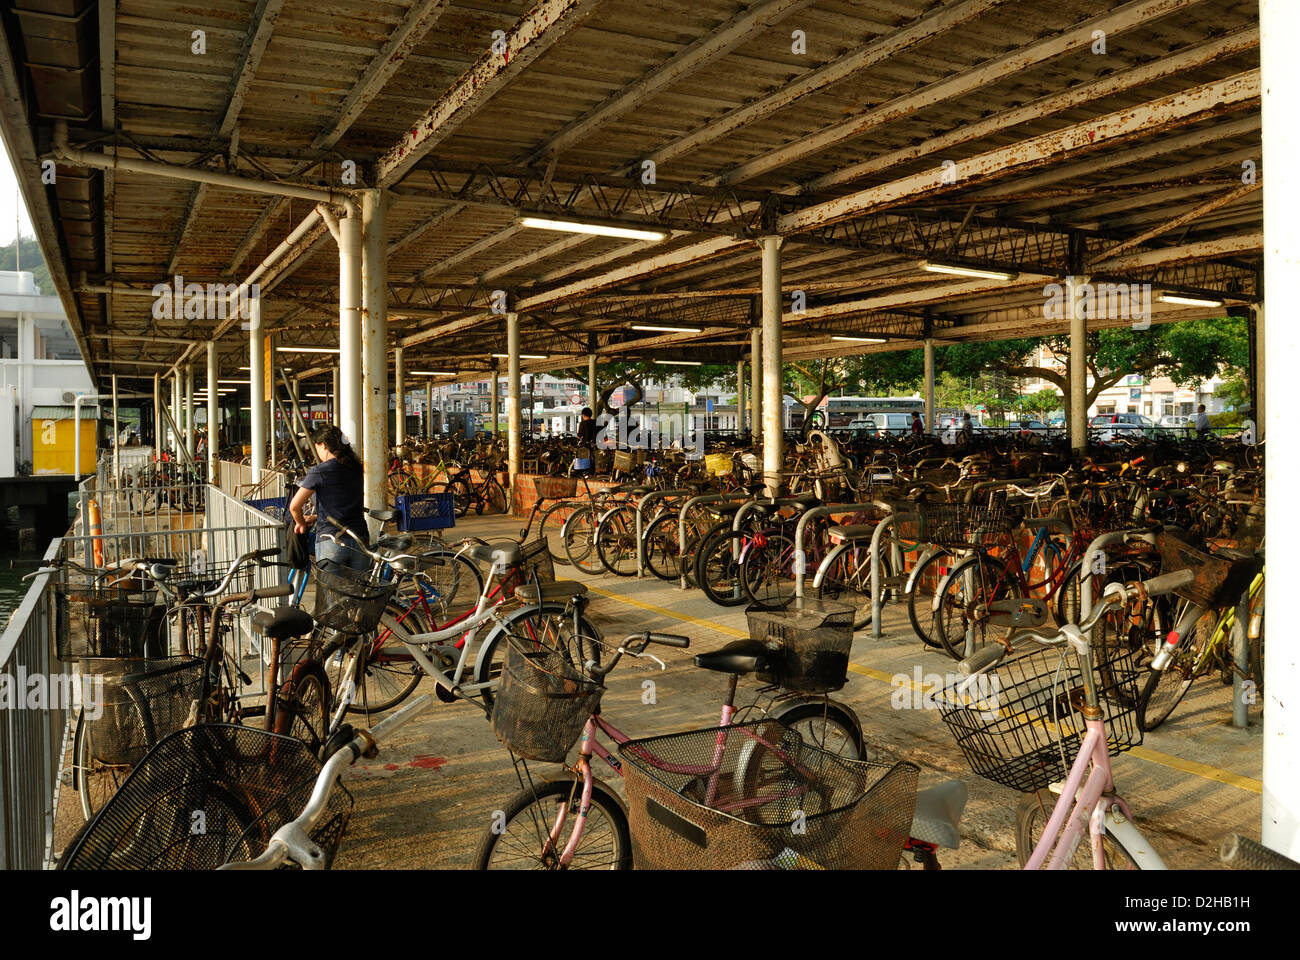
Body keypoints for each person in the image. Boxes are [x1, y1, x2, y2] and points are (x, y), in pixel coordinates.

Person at [289, 424, 368, 570]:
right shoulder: (356, 467)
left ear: (323, 446)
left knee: (331, 592)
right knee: (359, 591)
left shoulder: (320, 471)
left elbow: (294, 506)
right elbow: (342, 504)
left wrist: (300, 523)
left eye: (316, 446)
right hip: (360, 539)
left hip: (332, 540)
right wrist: (314, 518)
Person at [574, 407, 598, 472]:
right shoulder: (596, 422)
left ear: (583, 415)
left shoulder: (582, 423)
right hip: (596, 446)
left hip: (586, 446)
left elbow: (579, 436)